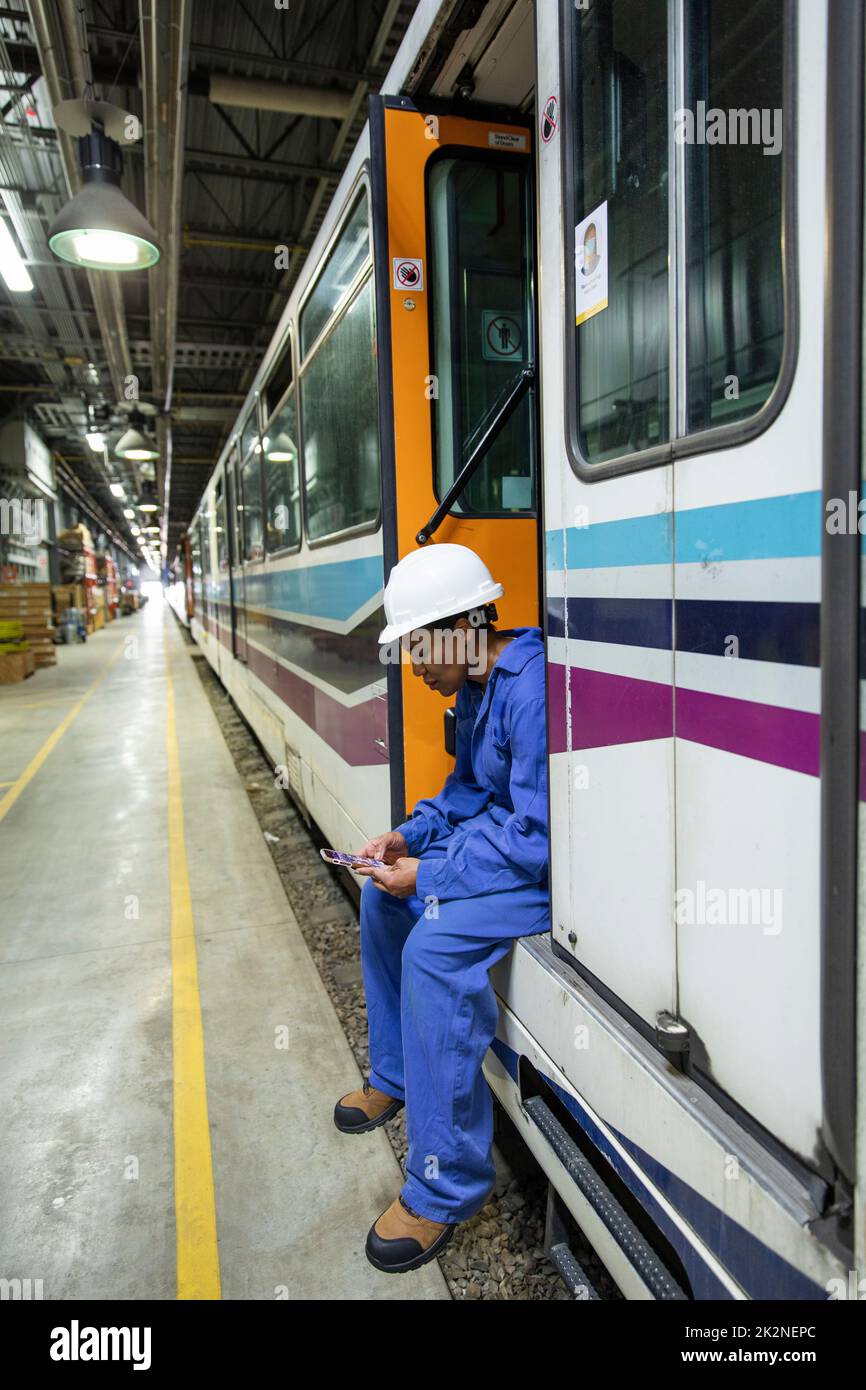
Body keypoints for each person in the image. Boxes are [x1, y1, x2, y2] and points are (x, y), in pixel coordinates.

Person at [333, 543, 549, 1273]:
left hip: (535, 870)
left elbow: (536, 839)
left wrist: (430, 875)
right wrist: (407, 838)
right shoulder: (478, 686)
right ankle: (394, 1077)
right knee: (381, 904)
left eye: (418, 649)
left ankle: (443, 1183)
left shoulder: (530, 688)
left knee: (431, 948)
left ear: (460, 627)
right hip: (497, 852)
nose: (415, 669)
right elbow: (465, 795)